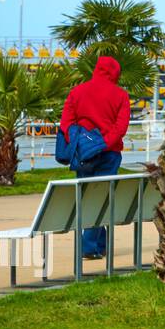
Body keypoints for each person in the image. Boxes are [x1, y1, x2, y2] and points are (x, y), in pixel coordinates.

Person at [59, 55, 130, 259]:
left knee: (88, 197)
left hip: (83, 154)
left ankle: (98, 244)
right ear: (116, 73)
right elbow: (121, 127)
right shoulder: (121, 95)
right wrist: (104, 143)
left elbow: (66, 124)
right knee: (101, 198)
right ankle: (90, 247)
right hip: (109, 154)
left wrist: (84, 143)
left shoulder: (77, 92)